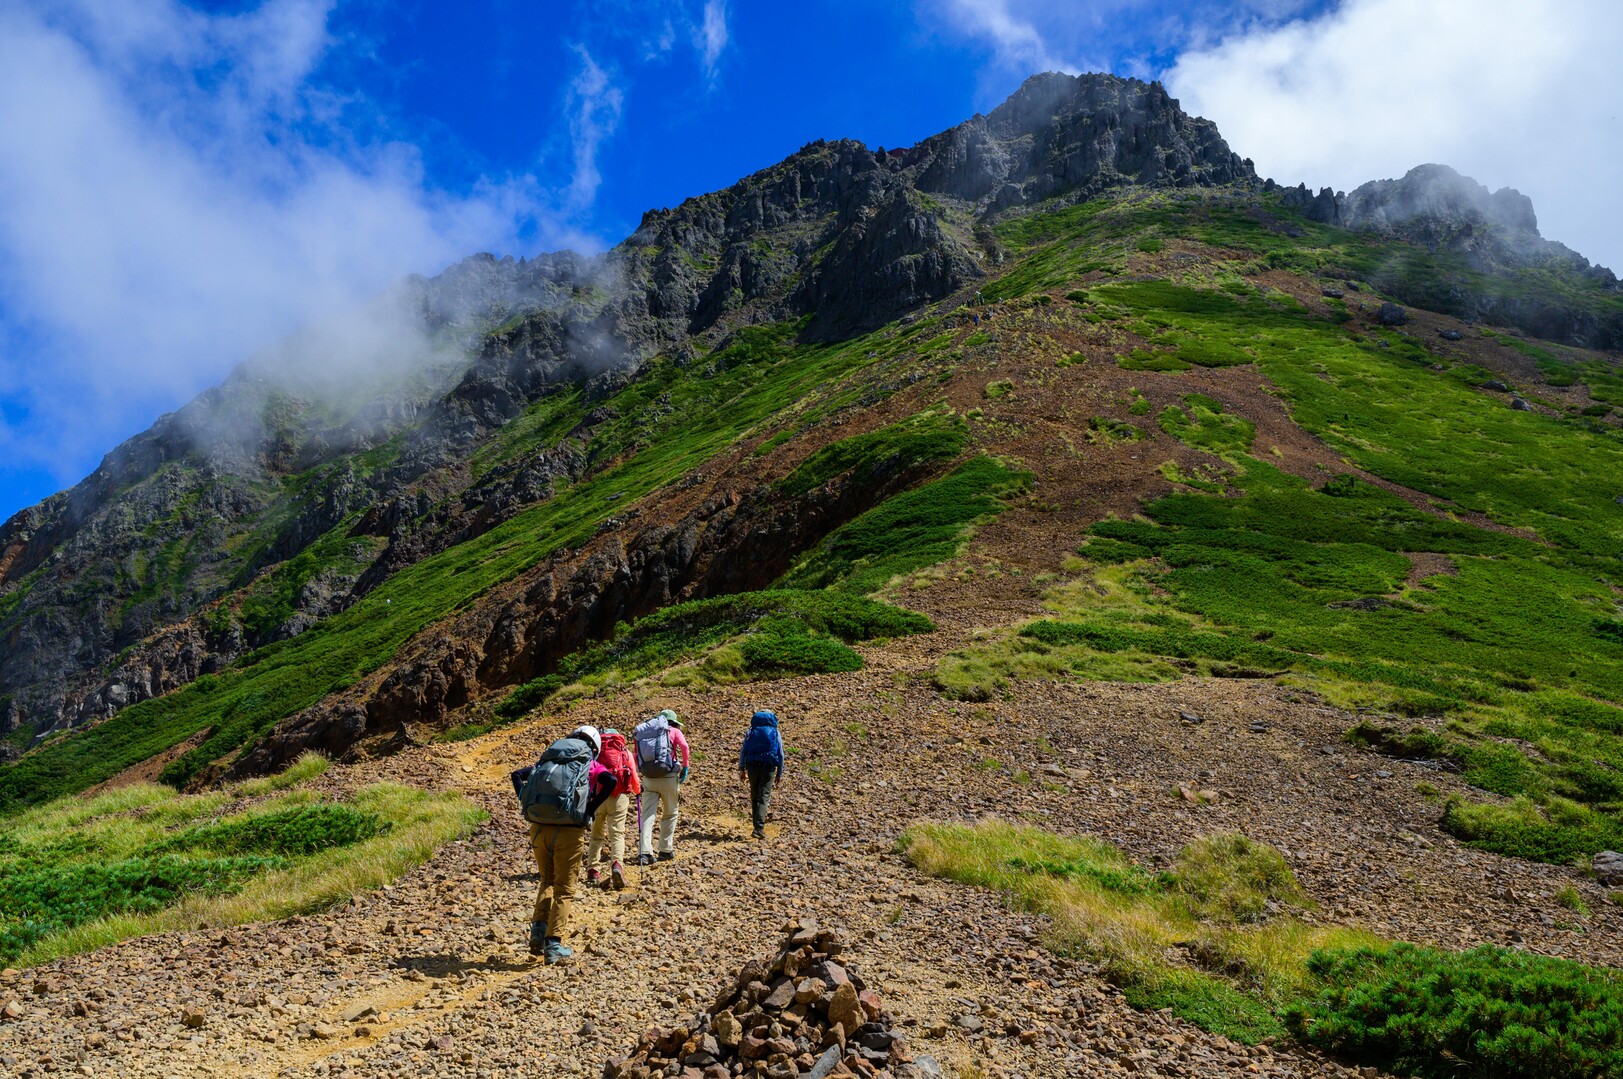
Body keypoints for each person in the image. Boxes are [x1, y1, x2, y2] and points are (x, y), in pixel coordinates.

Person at [510, 725, 615, 963]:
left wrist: (524, 801)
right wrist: (589, 809)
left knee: (546, 880)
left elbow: (517, 774)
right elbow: (610, 780)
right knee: (564, 888)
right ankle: (554, 944)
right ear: (594, 746)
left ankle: (538, 929)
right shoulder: (589, 763)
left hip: (538, 828)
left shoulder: (549, 758)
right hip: (569, 831)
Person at [634, 709, 690, 865]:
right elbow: (684, 747)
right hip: (669, 777)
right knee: (670, 813)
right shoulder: (674, 731)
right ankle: (665, 850)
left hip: (649, 778)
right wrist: (685, 766)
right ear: (673, 721)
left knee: (647, 815)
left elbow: (635, 755)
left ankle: (645, 852)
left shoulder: (645, 732)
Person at [586, 728, 639, 890]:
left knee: (596, 835)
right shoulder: (624, 752)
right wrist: (638, 791)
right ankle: (617, 865)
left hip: (598, 797)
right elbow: (633, 775)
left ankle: (593, 871)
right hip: (619, 796)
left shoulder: (595, 752)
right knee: (617, 833)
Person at [738, 710, 785, 840]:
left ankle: (756, 826)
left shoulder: (751, 731)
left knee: (754, 795)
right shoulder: (775, 732)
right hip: (768, 766)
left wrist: (741, 768)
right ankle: (759, 828)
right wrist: (779, 773)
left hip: (752, 765)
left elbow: (744, 751)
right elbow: (780, 754)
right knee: (764, 795)